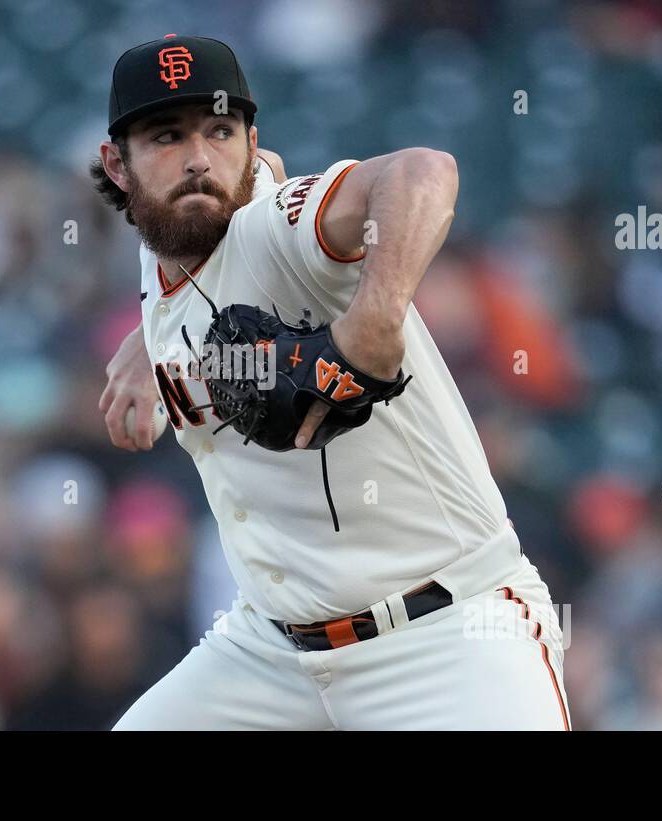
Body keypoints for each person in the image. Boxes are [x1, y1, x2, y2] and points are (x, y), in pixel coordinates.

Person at [93, 34, 570, 730]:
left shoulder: (280, 230)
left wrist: (375, 316)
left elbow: (420, 171)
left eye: (221, 131)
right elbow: (199, 271)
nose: (199, 158)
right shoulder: (172, 239)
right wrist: (149, 339)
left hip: (446, 637)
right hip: (270, 654)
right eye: (167, 136)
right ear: (118, 165)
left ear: (250, 144)